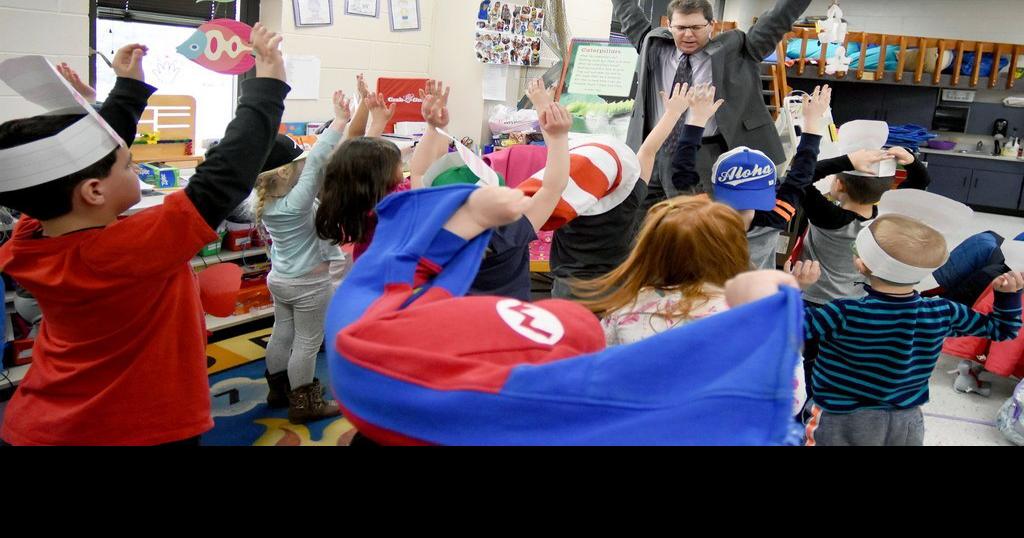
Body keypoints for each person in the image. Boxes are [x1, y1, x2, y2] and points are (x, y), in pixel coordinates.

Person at [0, 24, 290, 445]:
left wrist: (126, 92)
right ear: (94, 191)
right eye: (129, 165)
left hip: (42, 419)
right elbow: (222, 177)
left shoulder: (30, 237)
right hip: (134, 426)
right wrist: (267, 87)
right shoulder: (124, 249)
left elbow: (91, 161)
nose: (133, 165)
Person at [611, 0, 812, 209]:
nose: (688, 35)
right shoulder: (653, 45)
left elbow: (777, 19)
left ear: (711, 25)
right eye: (680, 27)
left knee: (695, 222)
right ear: (669, 25)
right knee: (641, 225)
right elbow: (628, 13)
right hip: (651, 150)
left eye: (696, 27)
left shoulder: (738, 49)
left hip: (702, 155)